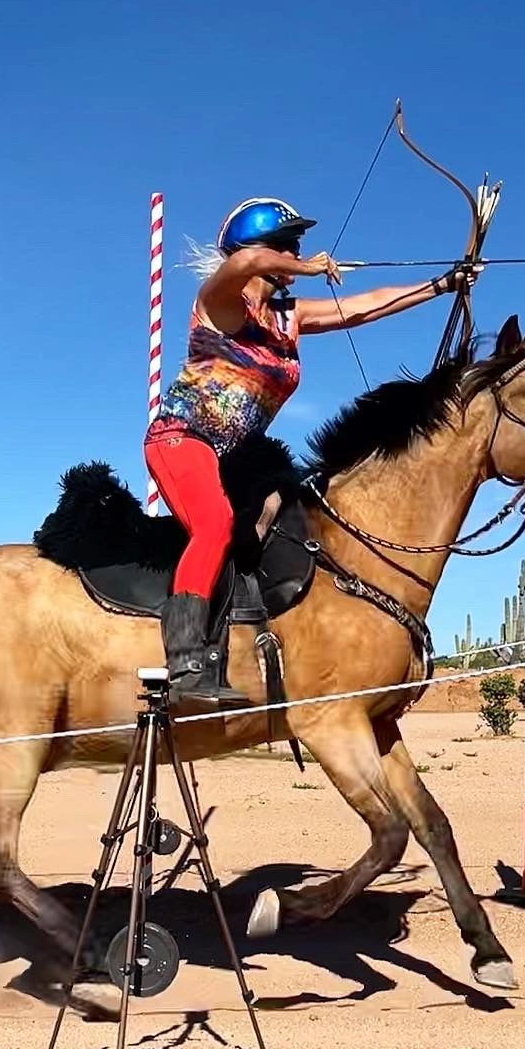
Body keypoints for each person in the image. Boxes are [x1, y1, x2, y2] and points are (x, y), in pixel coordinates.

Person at [145, 196, 476, 713]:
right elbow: (247, 263)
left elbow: (366, 305)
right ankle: (185, 661)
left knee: (286, 525)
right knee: (214, 525)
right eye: (288, 246)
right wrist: (308, 265)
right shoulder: (222, 303)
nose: (296, 255)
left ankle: (257, 647)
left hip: (238, 457)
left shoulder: (288, 317)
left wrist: (442, 286)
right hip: (182, 440)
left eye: (297, 247)